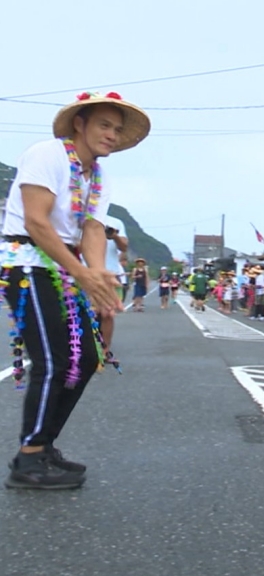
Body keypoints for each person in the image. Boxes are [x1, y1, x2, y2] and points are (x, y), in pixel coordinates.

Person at [0, 90, 150, 489]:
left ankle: (43, 445)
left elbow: (93, 229)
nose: (111, 135)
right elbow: (36, 221)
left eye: (117, 130)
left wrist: (98, 278)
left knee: (85, 359)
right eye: (104, 125)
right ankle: (28, 460)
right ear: (79, 124)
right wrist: (82, 275)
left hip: (65, 268)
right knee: (54, 361)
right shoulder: (48, 154)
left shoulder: (97, 175)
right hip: (28, 264)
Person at [100, 214, 127, 369]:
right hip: (84, 272)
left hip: (109, 274)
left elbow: (124, 246)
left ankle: (105, 350)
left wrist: (114, 235)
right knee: (85, 312)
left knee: (108, 314)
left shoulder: (115, 222)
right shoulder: (78, 217)